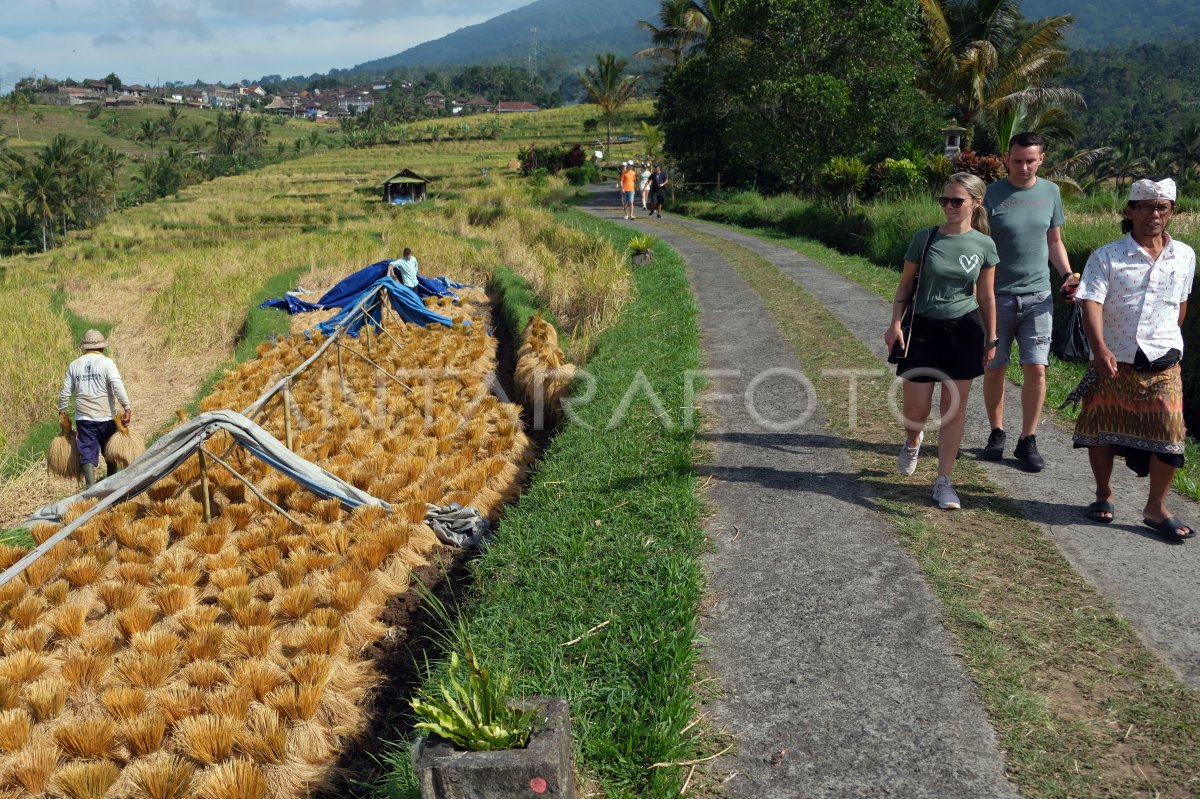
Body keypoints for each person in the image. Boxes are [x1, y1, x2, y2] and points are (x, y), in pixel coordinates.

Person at [1071, 177, 1196, 542]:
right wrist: (1100, 349)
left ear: (1172, 211)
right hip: (1114, 359)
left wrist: (1169, 341)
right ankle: (1103, 494)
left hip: (1163, 359)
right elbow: (1090, 302)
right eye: (1145, 207)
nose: (1154, 215)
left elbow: (1180, 305)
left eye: (1162, 207)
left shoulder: (1185, 255)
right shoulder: (1107, 255)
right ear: (1130, 211)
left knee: (1171, 432)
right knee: (1102, 429)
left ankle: (1156, 507)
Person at [884, 173, 998, 510]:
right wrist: (894, 324)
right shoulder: (926, 238)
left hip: (964, 330)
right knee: (916, 411)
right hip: (923, 328)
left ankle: (944, 481)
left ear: (976, 203)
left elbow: (987, 296)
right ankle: (912, 440)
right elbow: (905, 285)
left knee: (954, 411)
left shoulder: (984, 245)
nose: (948, 206)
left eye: (956, 201)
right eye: (944, 200)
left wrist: (992, 337)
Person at [981, 132, 1079, 471]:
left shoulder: (1051, 192)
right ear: (1006, 158)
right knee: (994, 368)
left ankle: (1028, 439)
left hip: (1039, 297)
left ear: (1041, 159)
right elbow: (979, 243)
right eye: (1017, 160)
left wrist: (1067, 275)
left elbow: (1055, 241)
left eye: (1030, 160)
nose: (1023, 167)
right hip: (996, 298)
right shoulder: (990, 194)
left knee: (1036, 368)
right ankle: (997, 431)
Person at [58, 329, 132, 488]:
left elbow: (65, 392)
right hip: (106, 417)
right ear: (102, 347)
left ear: (85, 347)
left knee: (86, 451)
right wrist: (126, 406)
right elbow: (117, 386)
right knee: (110, 450)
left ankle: (91, 488)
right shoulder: (107, 363)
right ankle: (111, 485)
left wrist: (62, 412)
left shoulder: (74, 365)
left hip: (84, 418)